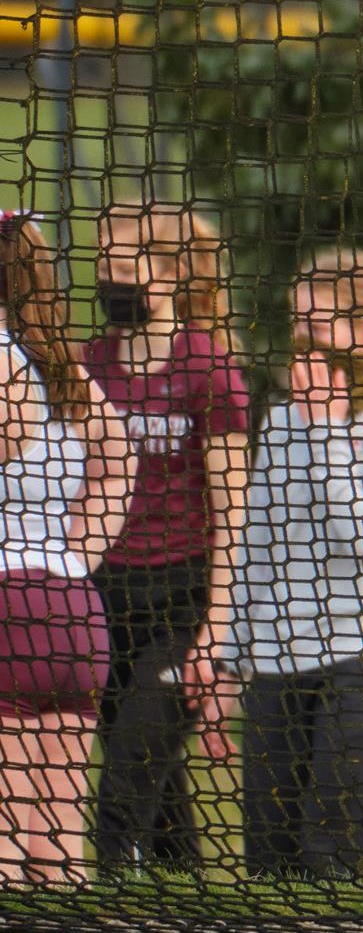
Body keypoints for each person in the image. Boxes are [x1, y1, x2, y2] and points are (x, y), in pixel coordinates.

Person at [208, 247, 363, 879]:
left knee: (331, 867)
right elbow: (257, 546)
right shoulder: (281, 420)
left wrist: (327, 432)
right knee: (271, 869)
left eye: (318, 322)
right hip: (278, 663)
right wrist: (231, 663)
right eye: (298, 322)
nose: (304, 339)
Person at [86, 203, 252, 875]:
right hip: (104, 595)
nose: (110, 278)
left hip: (182, 601)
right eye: (103, 263)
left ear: (172, 273)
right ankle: (181, 889)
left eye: (125, 265)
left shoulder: (210, 369)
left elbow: (232, 512)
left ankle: (105, 892)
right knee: (154, 778)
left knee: (128, 770)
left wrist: (216, 633)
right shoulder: (88, 364)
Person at [0, 209, 136, 883]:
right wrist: (76, 554)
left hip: (8, 610)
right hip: (74, 611)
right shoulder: (62, 366)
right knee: (58, 846)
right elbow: (120, 460)